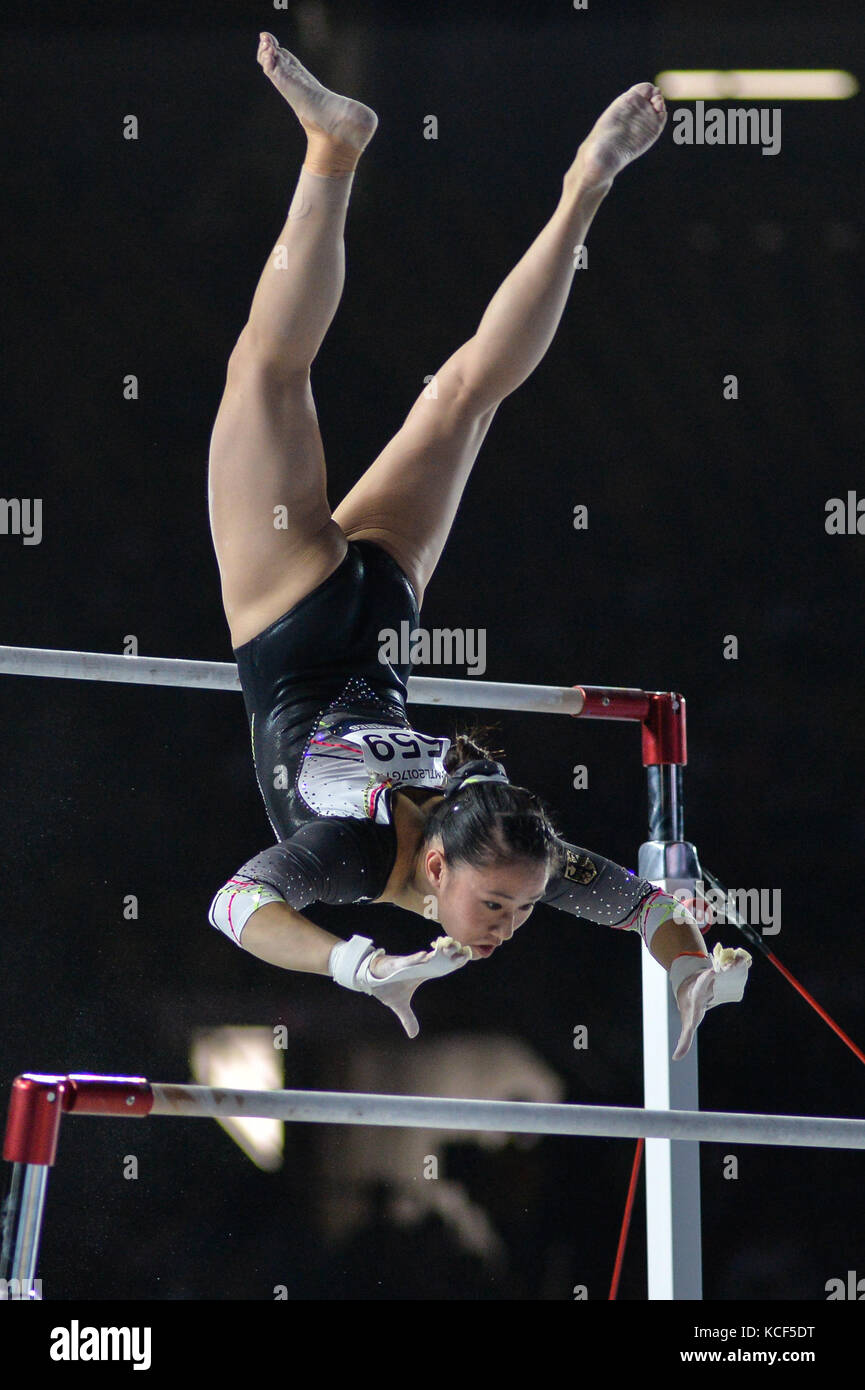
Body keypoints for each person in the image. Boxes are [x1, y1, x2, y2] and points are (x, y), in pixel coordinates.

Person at [207, 33, 750, 1054]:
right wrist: (688, 967)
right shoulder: (365, 856)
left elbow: (643, 913)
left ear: (443, 869)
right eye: (514, 904)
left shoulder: (462, 837)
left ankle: (583, 188)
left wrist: (684, 963)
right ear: (442, 868)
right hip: (288, 617)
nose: (512, 920)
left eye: (506, 907)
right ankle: (338, 150)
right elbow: (232, 906)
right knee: (269, 375)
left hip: (377, 609)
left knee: (465, 393)